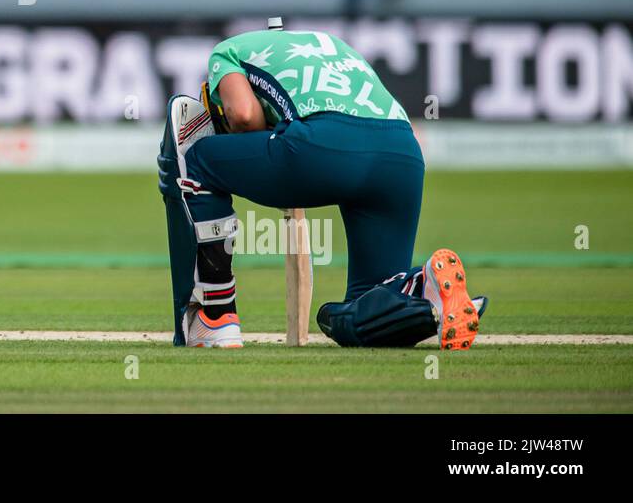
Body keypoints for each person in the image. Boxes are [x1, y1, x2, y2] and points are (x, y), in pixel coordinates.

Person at [155, 23, 487, 350]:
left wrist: (262, 137)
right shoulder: (330, 43)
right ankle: (424, 289)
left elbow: (242, 115)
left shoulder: (226, 52)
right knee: (360, 311)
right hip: (402, 155)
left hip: (326, 145)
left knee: (195, 158)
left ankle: (215, 318)